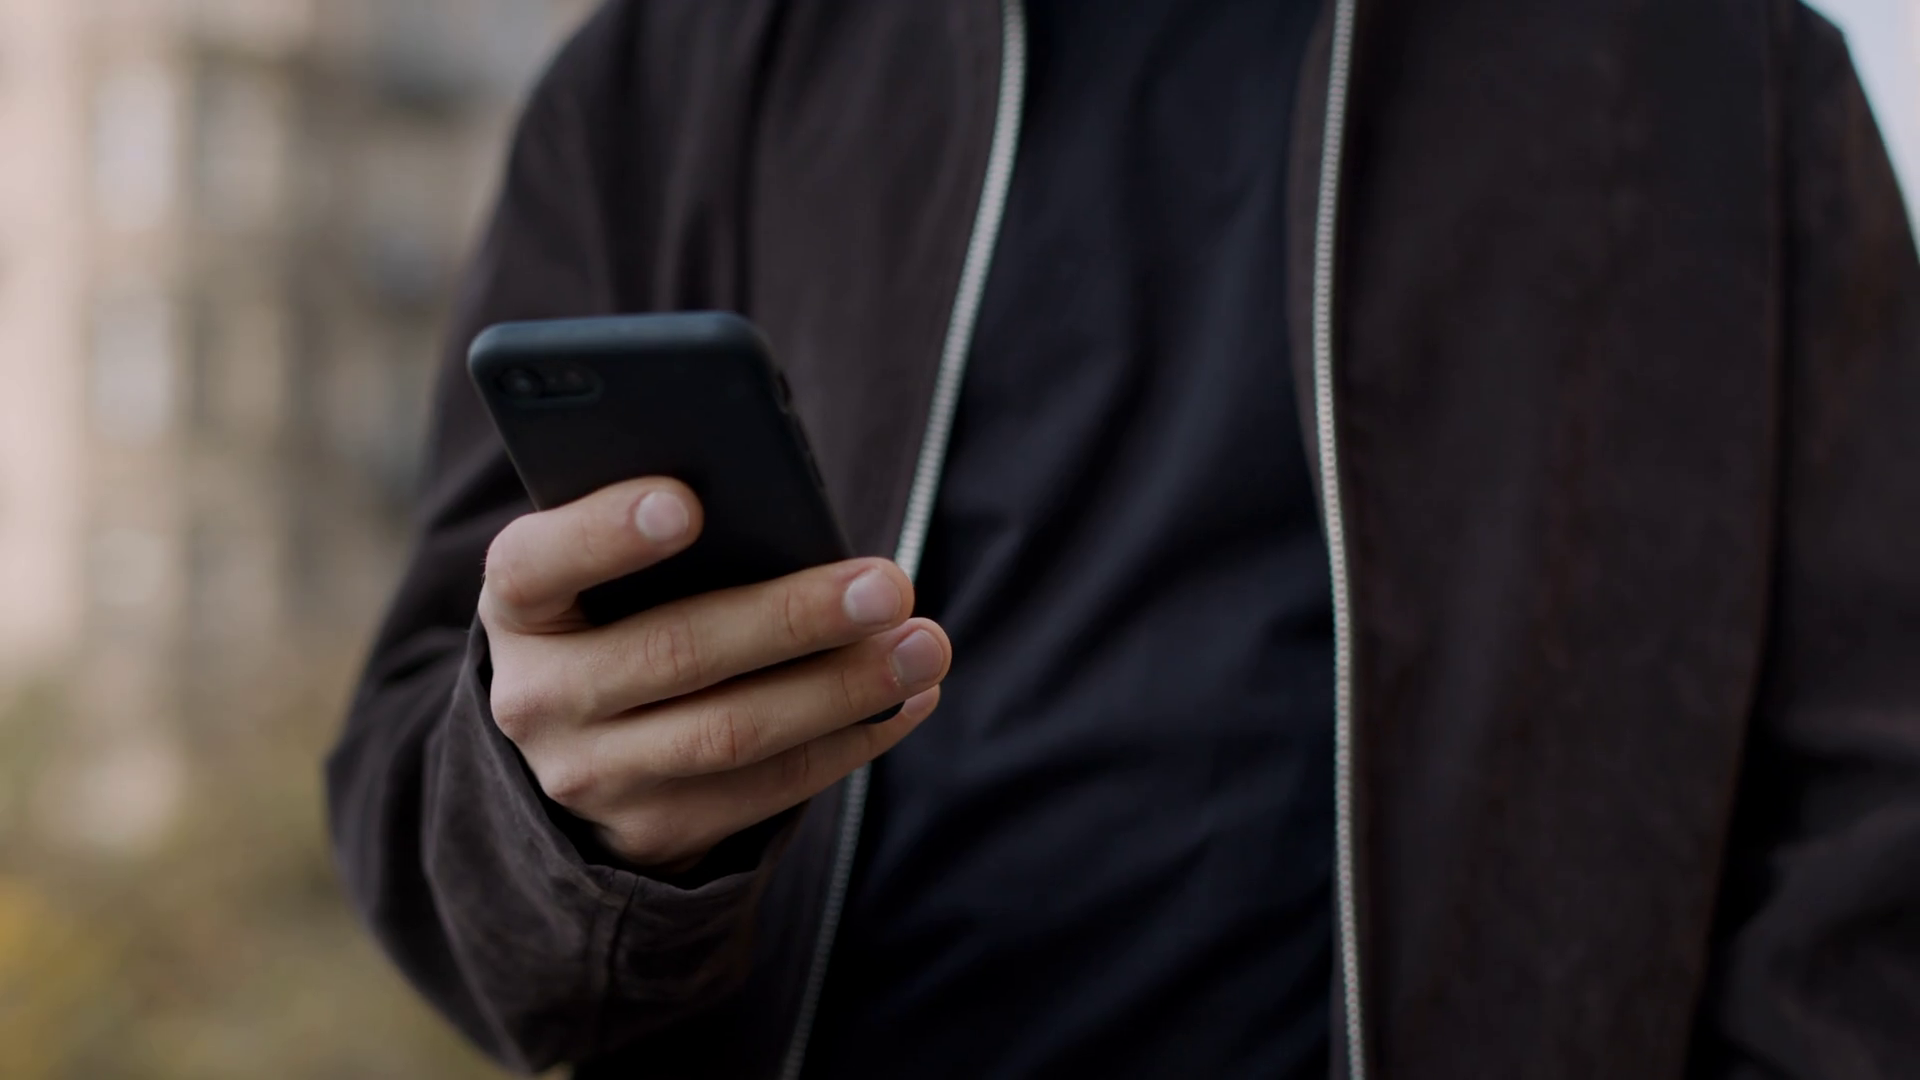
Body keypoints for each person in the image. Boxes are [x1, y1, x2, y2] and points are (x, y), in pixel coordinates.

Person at [326, 0, 1920, 1077]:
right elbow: (425, 824)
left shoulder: (1720, 69)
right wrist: (572, 826)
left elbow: (1881, 796)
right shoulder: (677, 67)